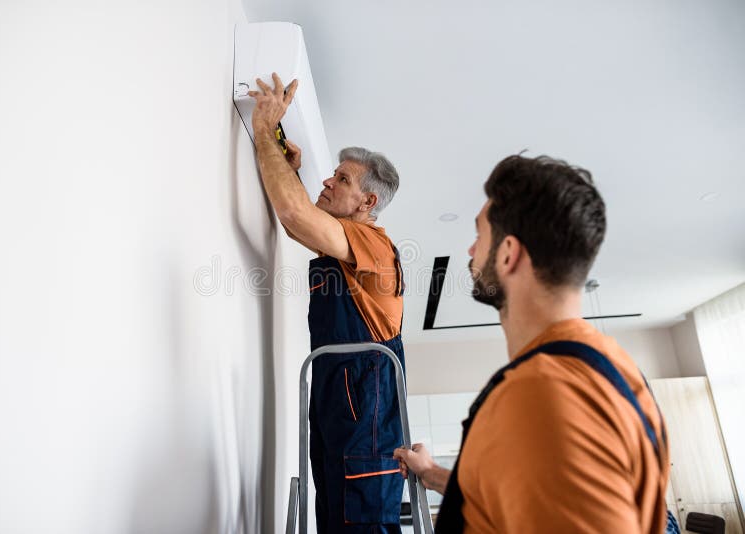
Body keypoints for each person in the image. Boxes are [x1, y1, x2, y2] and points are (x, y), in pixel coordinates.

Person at [394, 155, 672, 533]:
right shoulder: (611, 367)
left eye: (480, 236)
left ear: (509, 253)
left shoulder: (545, 394)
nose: (471, 252)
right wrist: (431, 474)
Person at [249, 74, 406, 533]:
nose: (328, 180)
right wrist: (287, 166)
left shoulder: (374, 245)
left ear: (368, 202)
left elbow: (296, 214)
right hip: (340, 409)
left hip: (367, 419)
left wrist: (263, 130)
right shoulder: (342, 249)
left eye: (342, 179)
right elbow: (300, 223)